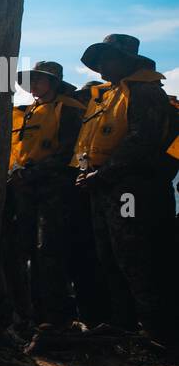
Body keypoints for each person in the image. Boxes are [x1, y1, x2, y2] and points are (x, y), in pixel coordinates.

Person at [73, 34, 174, 345]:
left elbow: (142, 142)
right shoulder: (107, 95)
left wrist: (103, 174)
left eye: (108, 58)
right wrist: (89, 174)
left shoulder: (145, 93)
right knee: (111, 257)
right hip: (104, 188)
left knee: (139, 259)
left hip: (134, 190)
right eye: (99, 60)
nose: (101, 65)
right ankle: (125, 326)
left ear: (126, 60)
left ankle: (162, 336)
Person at [6, 61, 84, 331]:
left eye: (40, 80)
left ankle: (56, 317)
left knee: (49, 249)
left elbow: (68, 152)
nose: (34, 86)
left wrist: (34, 173)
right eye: (32, 81)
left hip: (55, 187)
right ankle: (33, 314)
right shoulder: (31, 112)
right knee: (26, 248)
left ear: (54, 82)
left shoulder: (70, 108)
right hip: (26, 188)